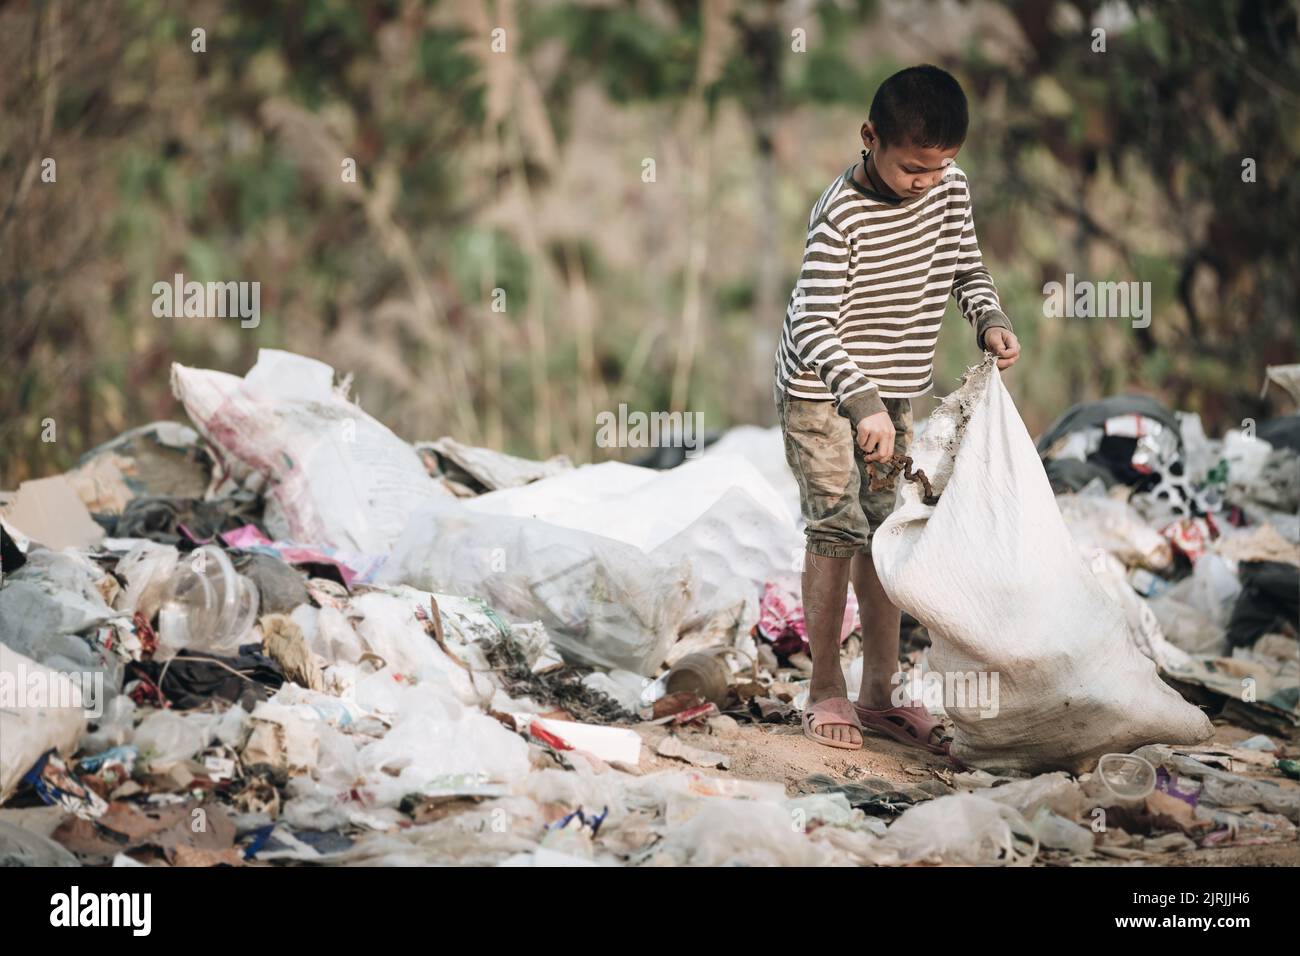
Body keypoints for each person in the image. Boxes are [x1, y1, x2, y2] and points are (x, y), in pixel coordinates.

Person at [773, 64, 1021, 752]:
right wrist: (861, 404)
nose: (926, 182)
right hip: (821, 391)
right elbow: (817, 326)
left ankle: (878, 695)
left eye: (941, 168)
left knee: (889, 533)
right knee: (837, 529)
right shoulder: (839, 216)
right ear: (870, 138)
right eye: (913, 167)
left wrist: (989, 318)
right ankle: (825, 687)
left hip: (894, 389)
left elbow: (967, 267)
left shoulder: (949, 190)